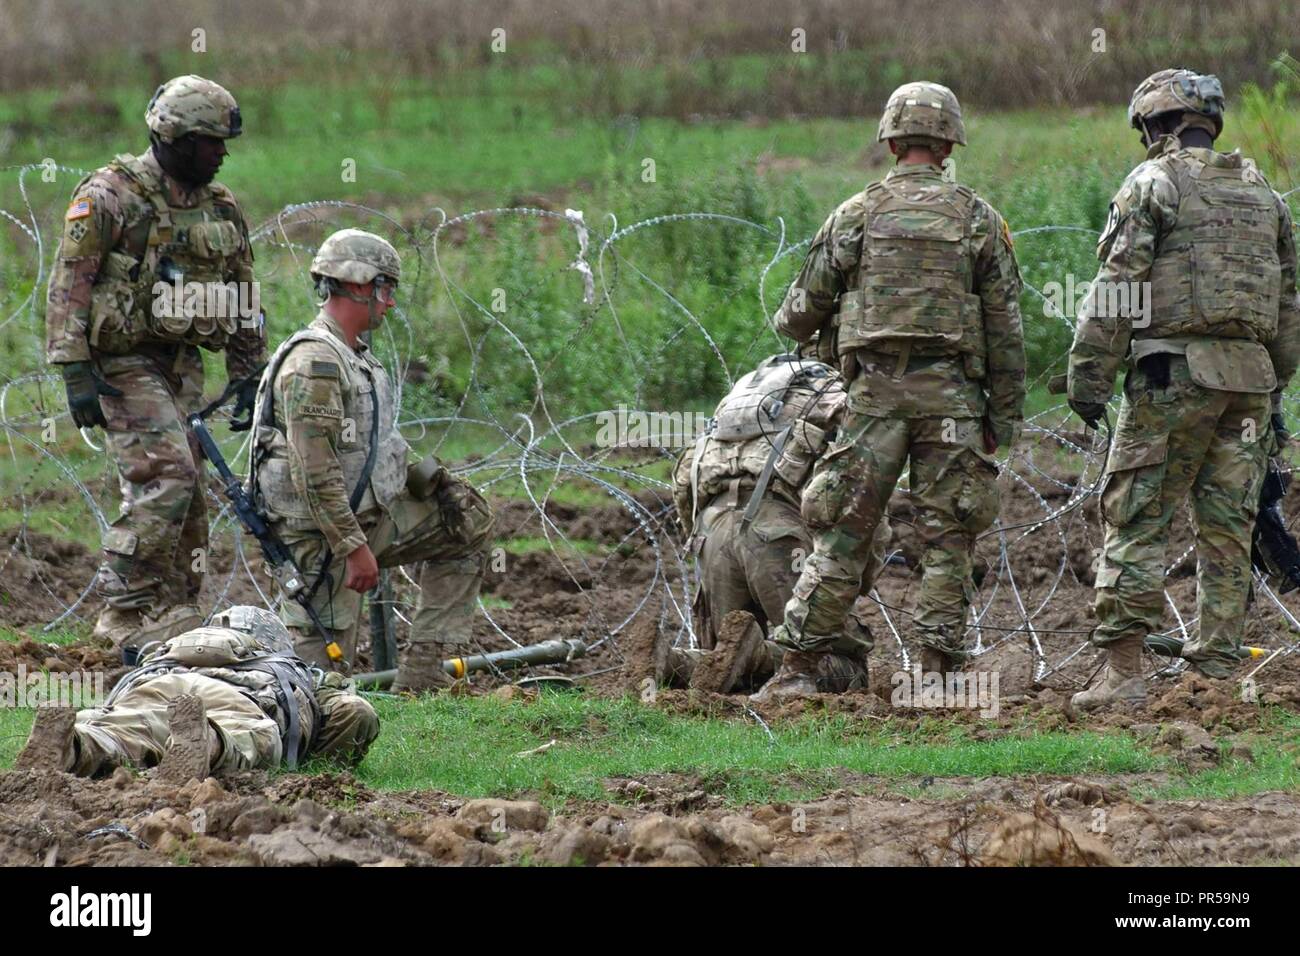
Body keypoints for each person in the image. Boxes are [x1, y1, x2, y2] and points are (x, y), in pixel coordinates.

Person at [753, 81, 1026, 701]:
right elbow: (1007, 329)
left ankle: (797, 671)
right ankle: (935, 673)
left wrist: (829, 333)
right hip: (954, 400)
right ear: (950, 142)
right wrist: (1001, 419)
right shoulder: (980, 219)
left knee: (842, 532)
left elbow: (796, 314)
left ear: (893, 141)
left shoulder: (854, 214)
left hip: (873, 396)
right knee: (948, 538)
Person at [1067, 69, 1300, 710]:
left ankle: (1122, 673)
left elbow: (1119, 285)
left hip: (1174, 376)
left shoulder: (1154, 182)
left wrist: (1088, 375)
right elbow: (1287, 307)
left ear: (1155, 125)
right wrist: (1274, 392)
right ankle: (1221, 665)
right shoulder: (1265, 196)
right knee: (1229, 526)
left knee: (1137, 515)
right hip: (1249, 386)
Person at [44, 75, 265, 659]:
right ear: (172, 138)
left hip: (181, 362)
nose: (221, 153)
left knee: (191, 493)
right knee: (167, 474)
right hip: (121, 361)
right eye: (210, 142)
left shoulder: (221, 207)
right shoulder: (111, 196)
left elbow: (243, 291)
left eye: (224, 142)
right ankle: (122, 611)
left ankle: (173, 609)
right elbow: (71, 284)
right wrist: (73, 369)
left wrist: (248, 370)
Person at [249, 229, 494, 691]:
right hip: (323, 538)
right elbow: (314, 471)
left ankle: (422, 675)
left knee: (466, 520)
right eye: (385, 289)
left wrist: (421, 481)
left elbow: (364, 447)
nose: (390, 304)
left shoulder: (355, 357)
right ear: (358, 286)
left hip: (365, 518)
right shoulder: (315, 364)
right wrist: (352, 548)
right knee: (320, 687)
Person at [666, 353, 890, 696]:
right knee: (833, 664)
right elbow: (861, 511)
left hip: (710, 529)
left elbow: (684, 481)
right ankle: (756, 655)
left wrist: (698, 540)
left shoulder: (749, 389)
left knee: (724, 671)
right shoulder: (838, 396)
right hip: (776, 533)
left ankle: (669, 662)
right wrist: (850, 581)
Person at [14, 606, 378, 781]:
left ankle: (73, 745)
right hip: (236, 700)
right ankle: (206, 743)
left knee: (127, 728)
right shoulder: (283, 667)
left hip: (156, 687)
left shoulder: (171, 650)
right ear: (276, 643)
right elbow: (355, 713)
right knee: (244, 735)